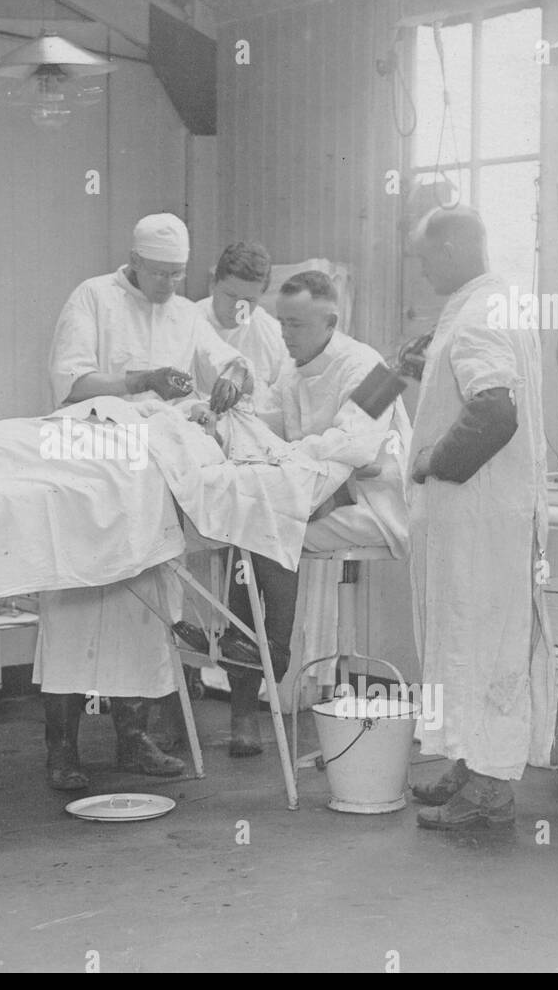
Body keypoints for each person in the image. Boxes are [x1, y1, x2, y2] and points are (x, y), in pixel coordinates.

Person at [37, 213, 255, 790]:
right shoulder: (93, 298)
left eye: (178, 276)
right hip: (93, 469)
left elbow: (225, 358)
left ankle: (134, 739)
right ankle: (62, 751)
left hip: (149, 480)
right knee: (77, 608)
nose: (167, 286)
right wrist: (140, 380)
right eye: (157, 274)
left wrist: (234, 374)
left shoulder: (184, 314)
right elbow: (73, 382)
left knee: (147, 607)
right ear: (133, 262)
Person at [219, 271, 410, 755]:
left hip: (376, 504)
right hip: (321, 498)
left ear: (331, 321)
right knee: (247, 529)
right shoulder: (292, 372)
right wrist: (229, 411)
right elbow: (271, 430)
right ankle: (248, 672)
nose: (285, 335)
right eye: (282, 323)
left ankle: (266, 658)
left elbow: (357, 443)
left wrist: (298, 460)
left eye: (297, 325)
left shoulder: (374, 370)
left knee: (266, 530)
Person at [406, 204, 548, 830]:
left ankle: (489, 789)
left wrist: (433, 459)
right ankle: (470, 763)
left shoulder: (476, 314)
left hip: (477, 519)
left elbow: (494, 411)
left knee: (479, 648)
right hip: (492, 515)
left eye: (426, 256)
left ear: (454, 248)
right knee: (472, 644)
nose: (422, 268)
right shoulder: (499, 303)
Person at [196, 242, 289, 386]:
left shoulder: (274, 337)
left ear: (260, 296)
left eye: (248, 300)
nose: (238, 308)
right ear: (213, 284)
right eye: (230, 295)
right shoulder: (187, 324)